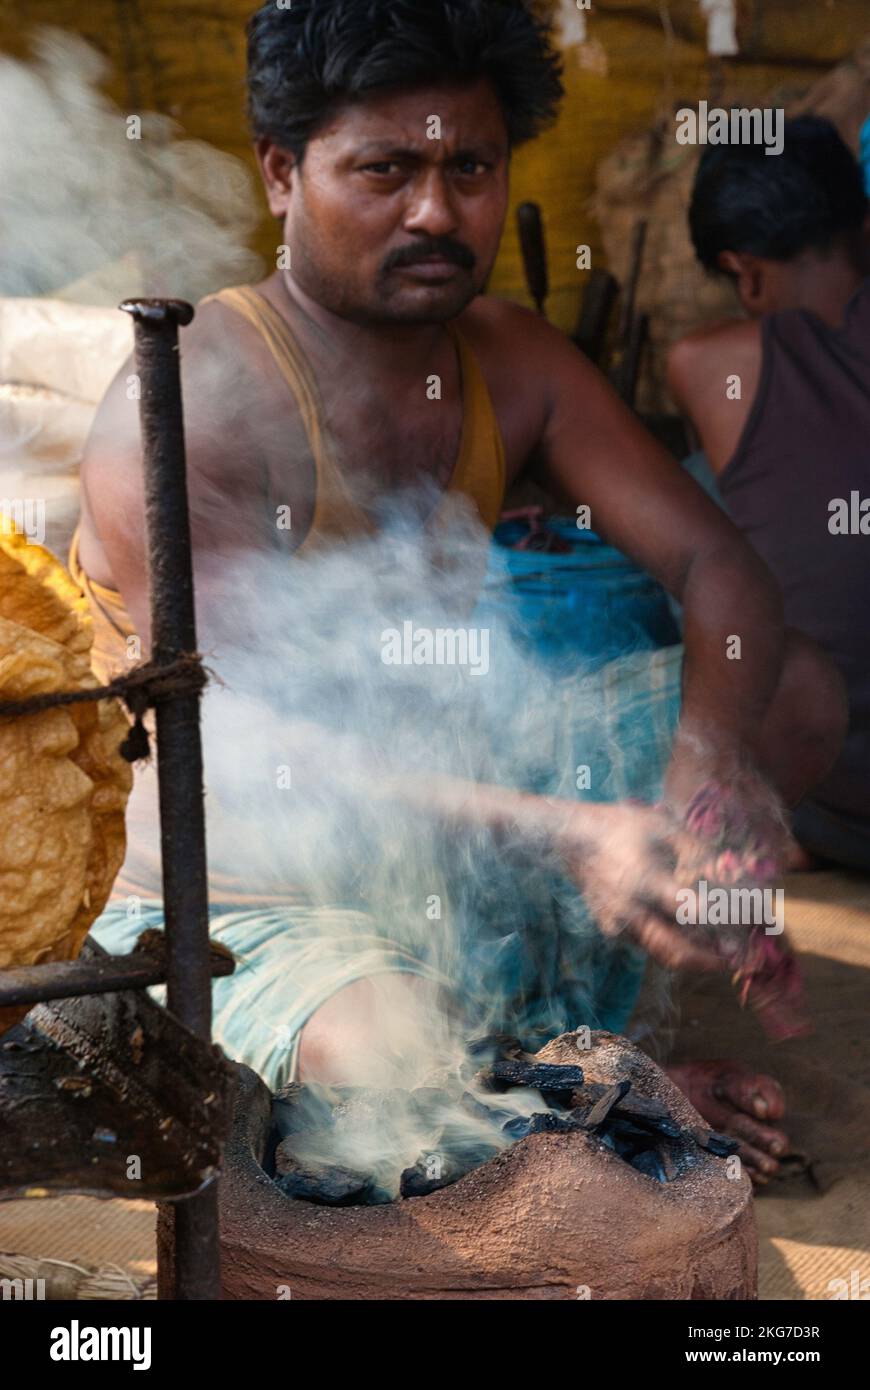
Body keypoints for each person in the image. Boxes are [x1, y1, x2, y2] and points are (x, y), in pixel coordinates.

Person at [76, 2, 844, 1179]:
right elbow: (256, 759)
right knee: (382, 1072)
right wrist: (572, 830)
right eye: (386, 168)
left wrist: (703, 774)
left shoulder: (509, 357)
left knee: (785, 693)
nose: (437, 211)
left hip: (454, 814)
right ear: (282, 174)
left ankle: (558, 1063)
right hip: (249, 874)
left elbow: (720, 568)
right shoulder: (189, 405)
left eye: (470, 168)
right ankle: (565, 1086)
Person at [668, 116, 870, 872]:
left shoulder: (708, 362)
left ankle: (737, 805)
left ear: (743, 273)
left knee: (685, 504)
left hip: (830, 808)